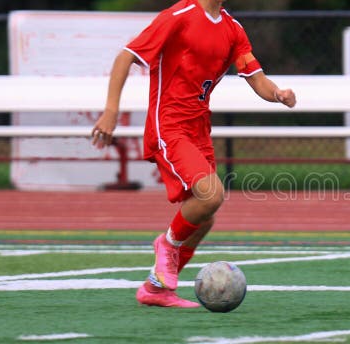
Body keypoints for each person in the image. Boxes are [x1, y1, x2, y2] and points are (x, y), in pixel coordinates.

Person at [91, 0, 296, 308]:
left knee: (204, 218)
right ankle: (166, 244)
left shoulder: (232, 29)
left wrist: (277, 94)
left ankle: (156, 289)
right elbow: (125, 57)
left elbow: (256, 78)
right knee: (212, 195)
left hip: (198, 129)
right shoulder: (178, 17)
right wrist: (110, 111)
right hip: (169, 125)